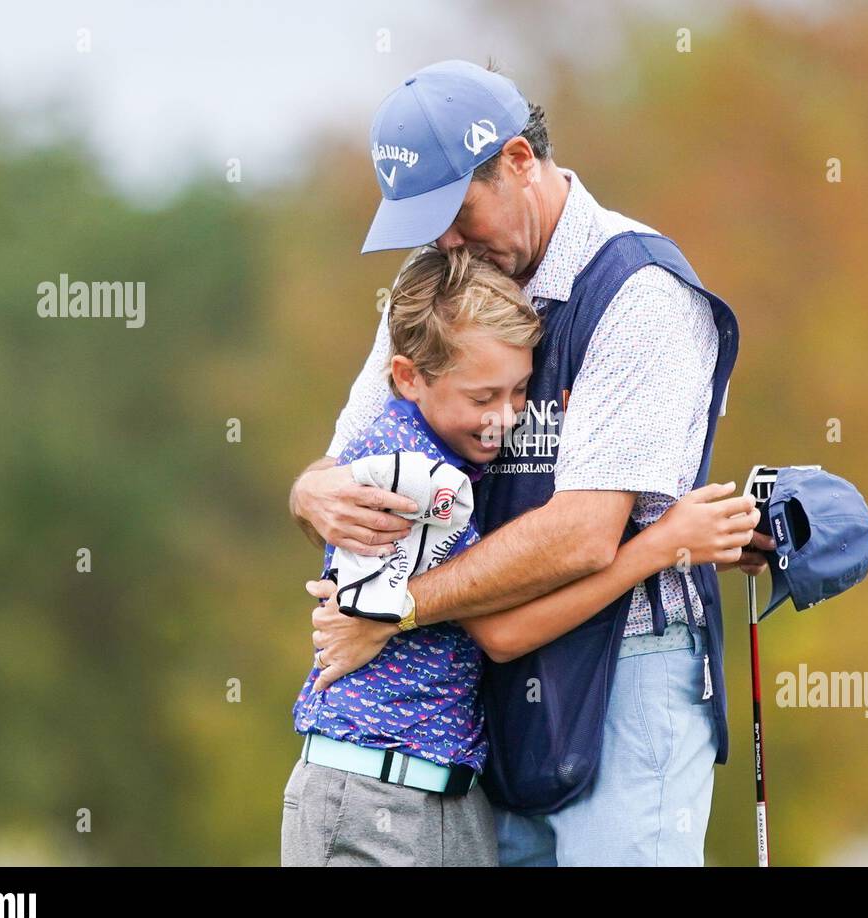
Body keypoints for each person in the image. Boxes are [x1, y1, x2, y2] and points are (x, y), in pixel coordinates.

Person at [291, 60, 773, 866]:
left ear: (518, 161)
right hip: (484, 678)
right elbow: (346, 462)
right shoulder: (441, 281)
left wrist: (394, 609)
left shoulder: (639, 290)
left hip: (630, 660)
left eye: (456, 212)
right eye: (426, 225)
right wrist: (312, 495)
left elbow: (584, 534)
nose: (445, 243)